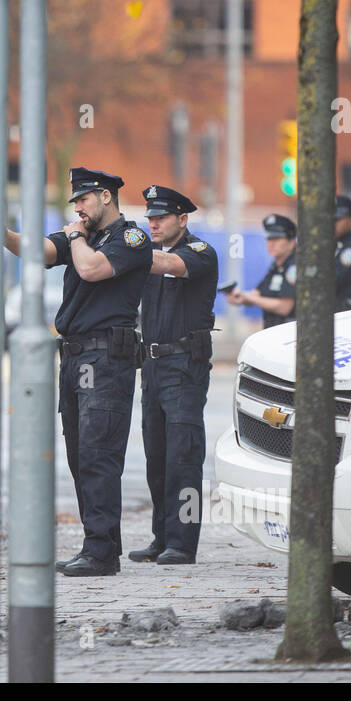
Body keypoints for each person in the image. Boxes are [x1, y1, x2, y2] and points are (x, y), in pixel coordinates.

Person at [3, 167, 149, 577]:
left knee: (99, 455)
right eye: (75, 203)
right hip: (73, 357)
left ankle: (101, 553)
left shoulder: (130, 239)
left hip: (106, 358)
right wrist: (2, 232)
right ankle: (99, 546)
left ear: (105, 196)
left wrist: (76, 236)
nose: (78, 209)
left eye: (83, 199)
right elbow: (35, 251)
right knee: (80, 455)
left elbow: (91, 270)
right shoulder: (82, 237)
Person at [128, 185, 217, 566]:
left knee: (184, 457)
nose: (153, 223)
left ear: (182, 218)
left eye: (161, 217)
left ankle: (183, 544)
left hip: (184, 367)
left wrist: (126, 249)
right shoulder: (150, 257)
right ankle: (162, 538)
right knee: (157, 458)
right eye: (150, 218)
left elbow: (169, 266)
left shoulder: (198, 253)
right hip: (151, 366)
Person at [226, 213, 296, 328]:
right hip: (273, 332)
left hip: (289, 336)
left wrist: (249, 298)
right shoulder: (276, 267)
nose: (271, 243)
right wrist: (240, 296)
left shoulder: (294, 267)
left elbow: (284, 307)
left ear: (291, 242)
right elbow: (257, 293)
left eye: (277, 238)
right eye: (269, 238)